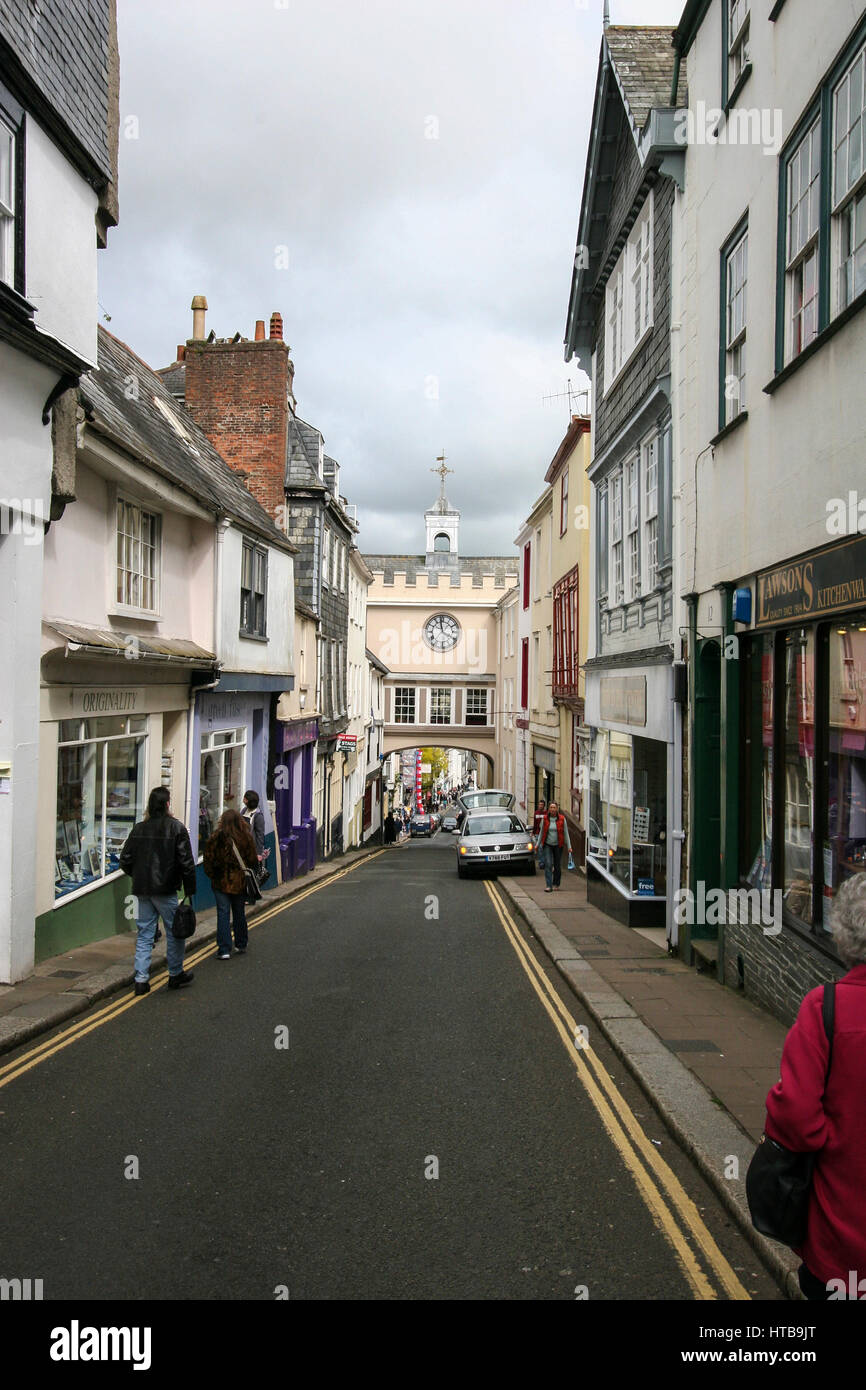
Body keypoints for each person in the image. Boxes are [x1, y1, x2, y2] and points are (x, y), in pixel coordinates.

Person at [763, 875, 866, 1300]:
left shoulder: (826, 1008)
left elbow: (796, 1120)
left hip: (839, 1248)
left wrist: (834, 1141)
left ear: (842, 933)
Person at [119, 786, 197, 995]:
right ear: (167, 804)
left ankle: (141, 980)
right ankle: (175, 973)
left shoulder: (138, 829)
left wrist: (138, 876)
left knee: (145, 934)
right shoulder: (176, 828)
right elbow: (187, 862)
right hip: (166, 890)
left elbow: (125, 860)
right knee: (175, 933)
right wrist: (190, 889)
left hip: (143, 890)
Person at [202, 809, 259, 959]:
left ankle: (224, 949)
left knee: (223, 914)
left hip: (220, 882)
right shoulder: (245, 837)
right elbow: (253, 860)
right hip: (239, 882)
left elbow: (207, 860)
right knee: (239, 913)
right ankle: (241, 943)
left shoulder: (215, 837)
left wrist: (213, 876)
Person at [534, 800, 572, 892]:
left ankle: (556, 884)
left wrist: (569, 847)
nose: (552, 809)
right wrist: (537, 845)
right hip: (547, 845)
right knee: (548, 864)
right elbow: (541, 832)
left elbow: (566, 833)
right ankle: (548, 885)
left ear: (557, 808)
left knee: (557, 865)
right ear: (549, 809)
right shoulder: (545, 819)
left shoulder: (562, 819)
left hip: (558, 845)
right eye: (551, 807)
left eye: (554, 807)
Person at [242, 789, 267, 880]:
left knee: (251, 876)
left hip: (252, 850)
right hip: (242, 848)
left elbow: (260, 835)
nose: (243, 799)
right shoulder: (244, 810)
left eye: (244, 798)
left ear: (248, 801)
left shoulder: (258, 816)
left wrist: (259, 853)